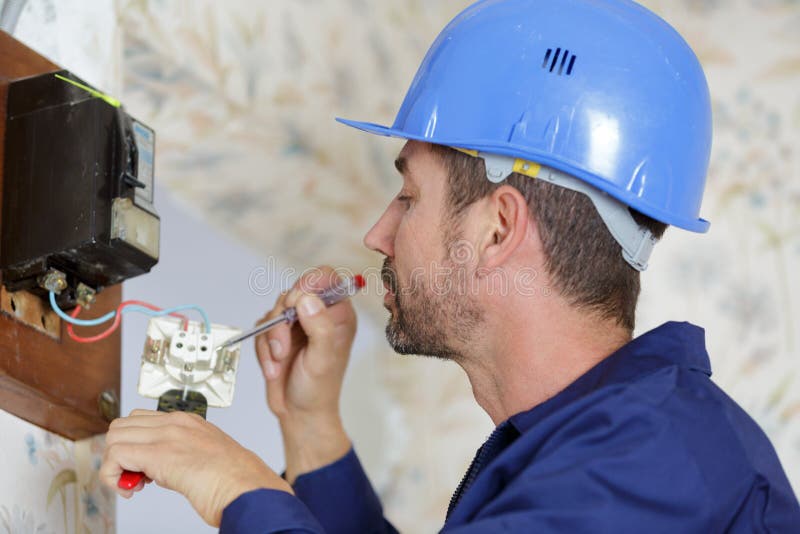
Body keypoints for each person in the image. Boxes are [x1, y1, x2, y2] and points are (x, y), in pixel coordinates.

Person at [100, 0, 800, 532]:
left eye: (408, 197)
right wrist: (311, 426)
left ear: (497, 229)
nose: (377, 234)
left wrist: (236, 490)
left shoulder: (652, 468)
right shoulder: (615, 444)